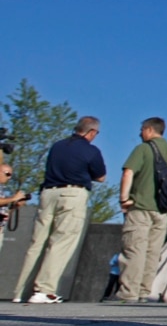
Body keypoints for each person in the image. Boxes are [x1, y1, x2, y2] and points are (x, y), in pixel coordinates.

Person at [12, 116, 106, 304]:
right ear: (92, 132)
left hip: (48, 193)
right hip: (72, 194)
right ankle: (44, 289)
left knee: (37, 243)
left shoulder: (57, 146)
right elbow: (101, 177)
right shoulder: (90, 150)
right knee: (61, 241)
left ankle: (22, 291)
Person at [112, 117, 167, 303]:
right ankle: (143, 291)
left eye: (141, 129)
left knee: (134, 249)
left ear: (148, 129)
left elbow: (128, 172)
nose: (140, 133)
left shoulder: (143, 149)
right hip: (163, 209)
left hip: (140, 206)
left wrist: (124, 198)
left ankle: (128, 292)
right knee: (153, 251)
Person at [0, 164, 27, 258]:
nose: (9, 177)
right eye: (7, 174)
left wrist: (15, 205)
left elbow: (5, 212)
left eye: (11, 175)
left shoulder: (2, 189)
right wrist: (13, 198)